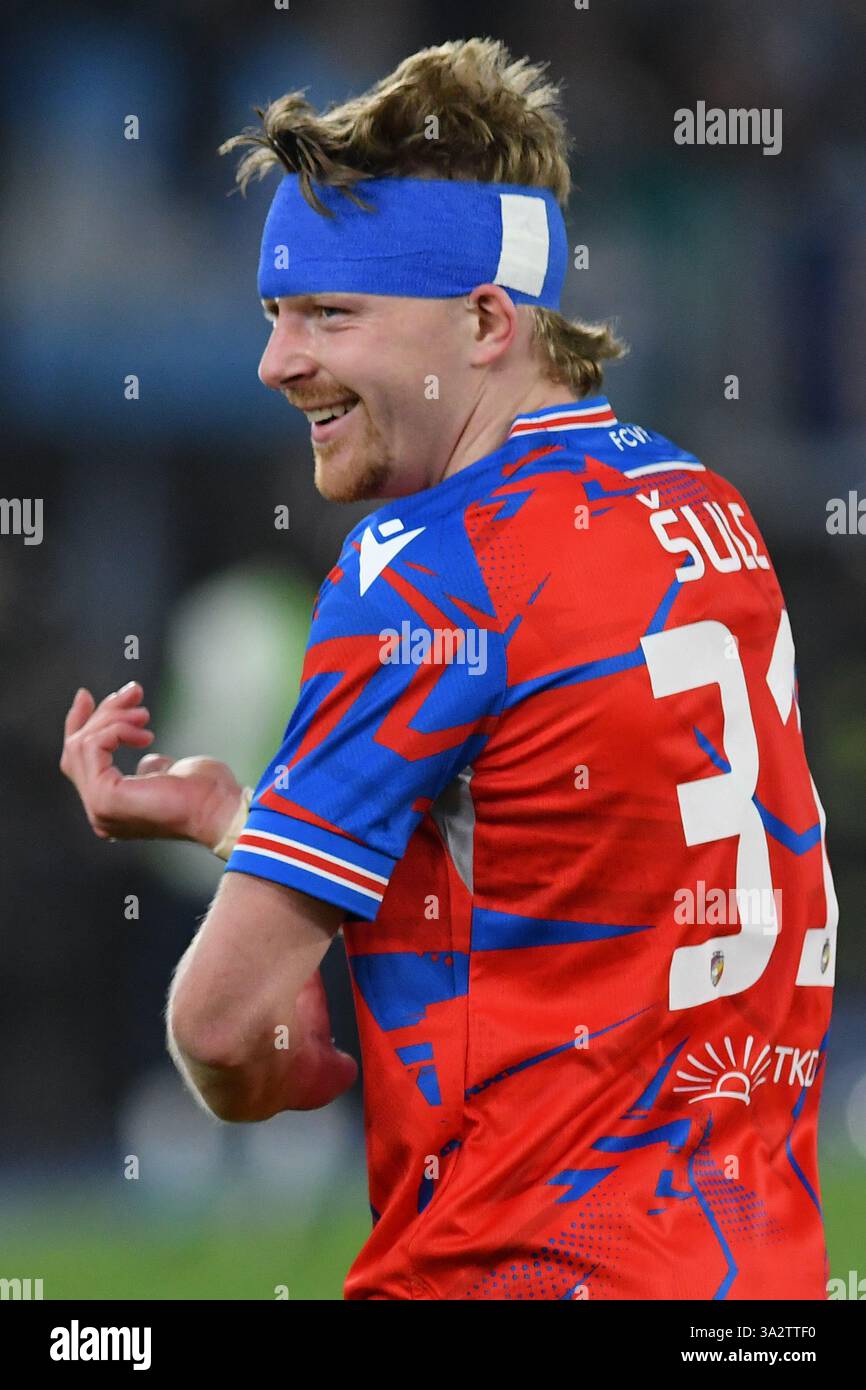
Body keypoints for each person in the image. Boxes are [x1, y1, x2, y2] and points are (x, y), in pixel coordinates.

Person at [60, 38, 837, 1300]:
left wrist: (278, 1065)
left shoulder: (426, 568)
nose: (276, 362)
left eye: (330, 313)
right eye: (274, 314)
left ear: (482, 322)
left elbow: (224, 1031)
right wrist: (244, 832)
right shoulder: (709, 510)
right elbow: (564, 870)